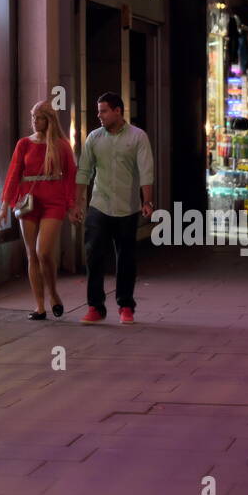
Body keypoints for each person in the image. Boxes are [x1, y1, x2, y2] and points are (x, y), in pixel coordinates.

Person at [70, 92, 154, 325]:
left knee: (126, 258)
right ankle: (95, 307)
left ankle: (125, 305)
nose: (99, 116)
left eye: (104, 111)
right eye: (98, 111)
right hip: (99, 205)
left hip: (127, 207)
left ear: (118, 111)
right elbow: (84, 171)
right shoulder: (94, 138)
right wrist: (76, 203)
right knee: (93, 255)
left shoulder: (138, 137)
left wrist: (147, 201)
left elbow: (146, 171)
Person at [0, 100, 77, 320]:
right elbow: (13, 174)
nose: (34, 122)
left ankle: (53, 294)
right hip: (28, 201)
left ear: (49, 119)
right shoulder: (24, 144)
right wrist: (5, 206)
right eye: (32, 117)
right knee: (31, 253)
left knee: (44, 252)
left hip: (53, 202)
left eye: (38, 117)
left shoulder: (61, 145)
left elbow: (71, 176)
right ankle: (39, 306)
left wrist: (72, 205)